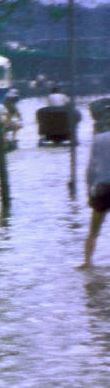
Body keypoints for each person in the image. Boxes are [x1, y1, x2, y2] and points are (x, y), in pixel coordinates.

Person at [84, 99, 110, 266]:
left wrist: (89, 190)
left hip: (101, 188)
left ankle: (87, 262)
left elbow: (91, 169)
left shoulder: (98, 139)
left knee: (93, 231)